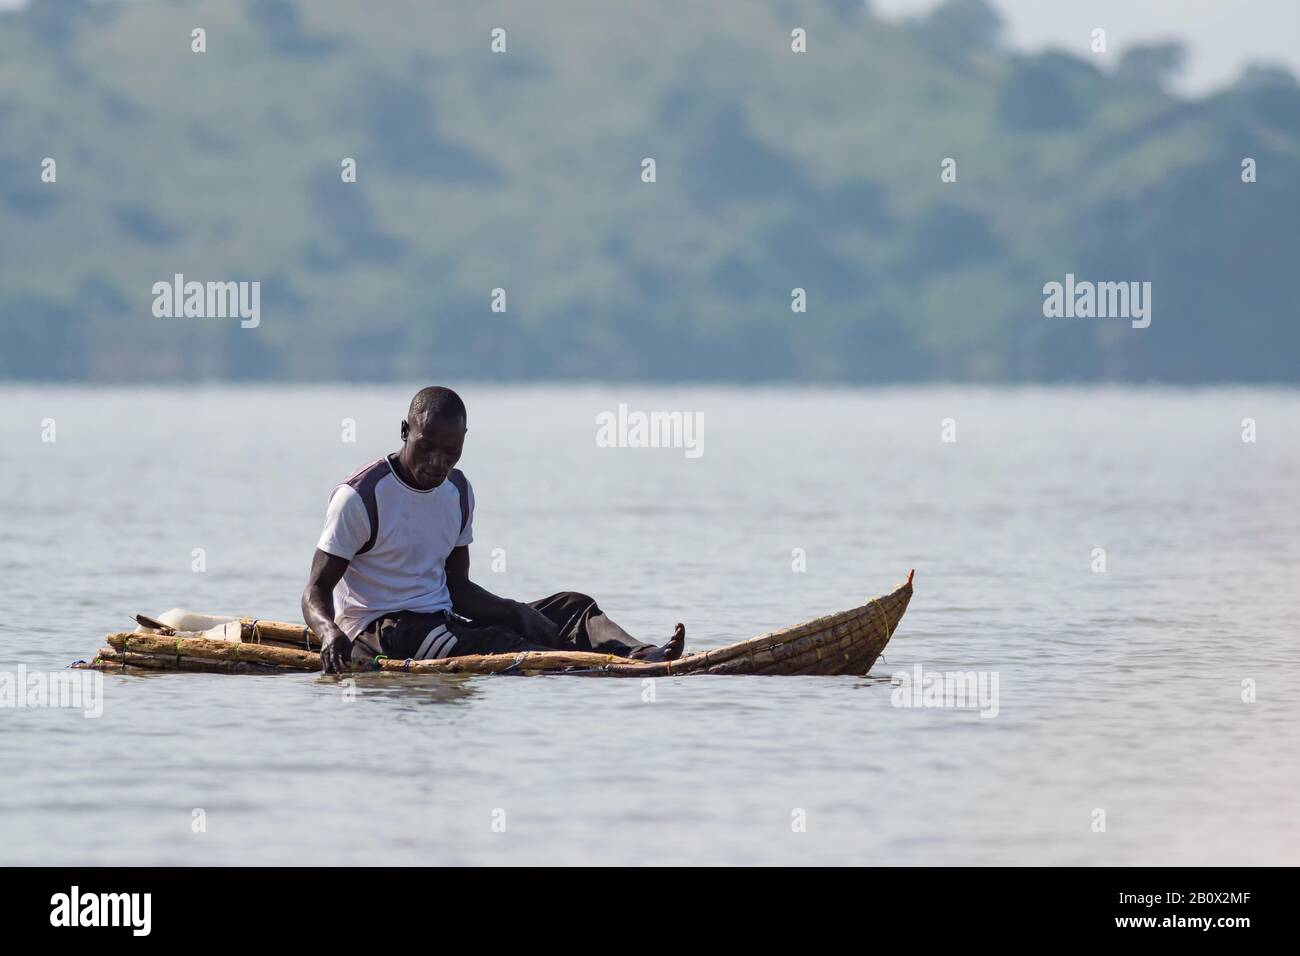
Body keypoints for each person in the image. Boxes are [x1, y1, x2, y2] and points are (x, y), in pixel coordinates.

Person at [302, 386, 686, 673]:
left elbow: (458, 589)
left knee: (572, 606)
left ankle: (640, 655)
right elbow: (315, 591)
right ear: (405, 432)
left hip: (441, 620)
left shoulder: (458, 492)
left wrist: (516, 610)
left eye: (450, 452)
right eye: (426, 447)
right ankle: (587, 666)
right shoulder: (360, 497)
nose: (437, 463)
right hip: (380, 631)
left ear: (463, 443)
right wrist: (328, 632)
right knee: (500, 644)